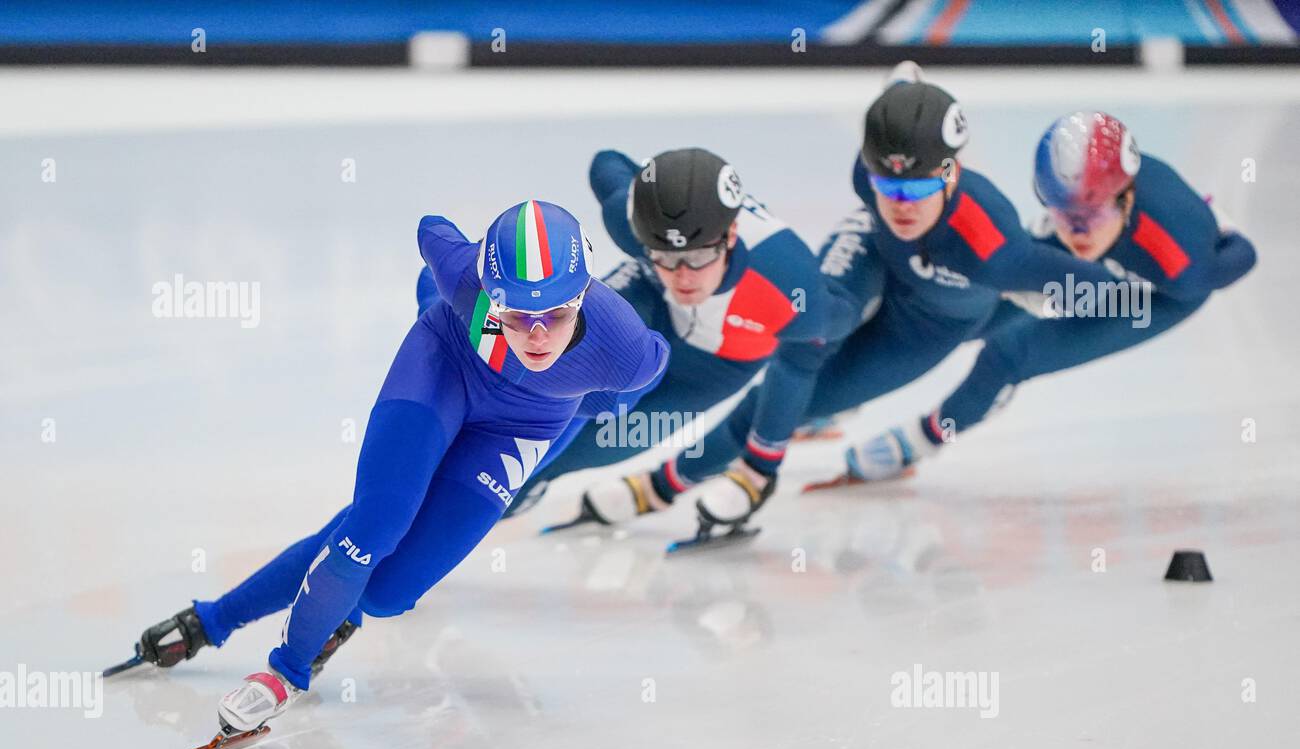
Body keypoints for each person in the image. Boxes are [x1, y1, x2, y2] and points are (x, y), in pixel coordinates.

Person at [135, 200, 669, 735]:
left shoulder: (624, 349)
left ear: (582, 296)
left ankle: (230, 618)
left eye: (554, 315)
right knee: (376, 523)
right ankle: (283, 673)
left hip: (521, 429)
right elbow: (431, 230)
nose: (535, 335)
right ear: (488, 293)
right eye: (513, 316)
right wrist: (433, 303)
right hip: (442, 371)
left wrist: (577, 408)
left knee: (386, 594)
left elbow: (639, 383)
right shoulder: (465, 278)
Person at [680, 64, 1144, 502]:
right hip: (890, 264)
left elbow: (1104, 288)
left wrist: (1118, 284)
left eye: (918, 190)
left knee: (998, 351)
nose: (901, 202)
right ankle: (772, 438)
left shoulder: (995, 250)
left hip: (951, 311)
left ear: (949, 175)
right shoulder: (869, 173)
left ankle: (849, 418)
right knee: (812, 328)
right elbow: (902, 89)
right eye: (890, 186)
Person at [842, 110, 1257, 479]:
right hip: (1118, 247)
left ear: (1126, 197)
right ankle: (847, 389)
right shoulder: (1085, 209)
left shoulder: (1179, 264)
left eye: (1090, 216)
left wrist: (1220, 224)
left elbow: (1244, 255)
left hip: (1153, 294)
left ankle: (919, 441)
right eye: (1061, 211)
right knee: (971, 314)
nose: (1076, 231)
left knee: (1007, 355)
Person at [504, 147, 834, 531]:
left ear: (730, 235)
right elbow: (606, 163)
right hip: (648, 300)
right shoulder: (633, 221)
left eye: (698, 258)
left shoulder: (790, 282)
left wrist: (761, 467)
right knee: (547, 392)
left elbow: (799, 366)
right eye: (664, 255)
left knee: (568, 455)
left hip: (717, 365)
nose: (683, 276)